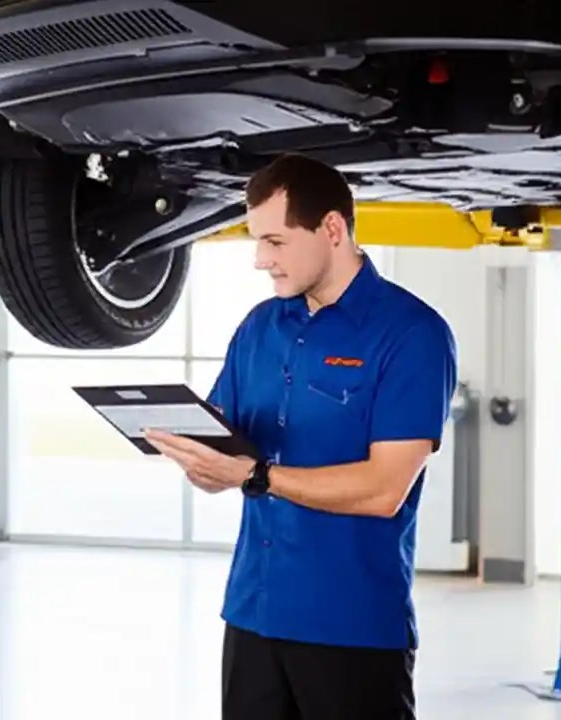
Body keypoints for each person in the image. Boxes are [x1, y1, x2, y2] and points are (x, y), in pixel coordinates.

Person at [146, 153, 457, 719]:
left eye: (276, 241)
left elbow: (384, 490)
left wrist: (256, 476)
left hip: (352, 625)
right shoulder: (261, 325)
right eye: (256, 242)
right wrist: (195, 455)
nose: (261, 260)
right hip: (253, 614)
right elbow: (226, 453)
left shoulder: (412, 334)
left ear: (332, 229)